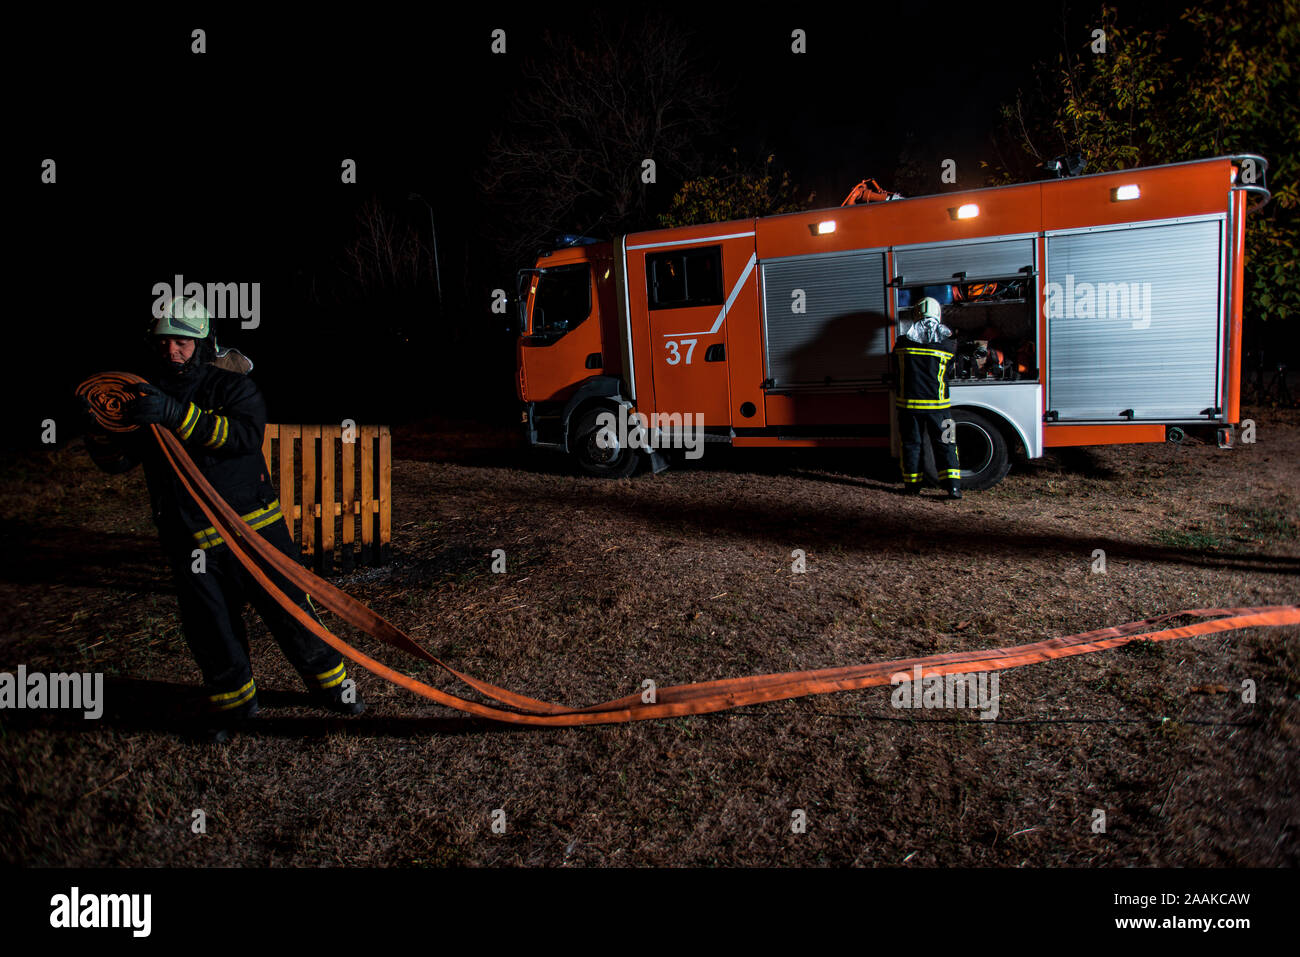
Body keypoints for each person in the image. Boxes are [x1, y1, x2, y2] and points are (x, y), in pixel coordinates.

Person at [81, 297, 365, 741]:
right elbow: (117, 462)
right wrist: (101, 429)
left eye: (182, 342)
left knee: (292, 613)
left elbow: (243, 436)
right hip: (189, 539)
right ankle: (235, 706)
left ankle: (333, 687)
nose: (172, 351)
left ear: (203, 341)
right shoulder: (146, 396)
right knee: (211, 629)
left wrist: (177, 416)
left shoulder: (232, 387)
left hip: (253, 532)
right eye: (164, 342)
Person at [891, 297, 962, 500]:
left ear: (916, 316)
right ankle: (953, 488)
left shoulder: (902, 343)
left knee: (911, 445)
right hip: (940, 408)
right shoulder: (948, 346)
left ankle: (912, 486)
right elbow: (950, 371)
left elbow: (895, 366)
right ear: (938, 317)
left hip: (908, 407)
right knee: (947, 444)